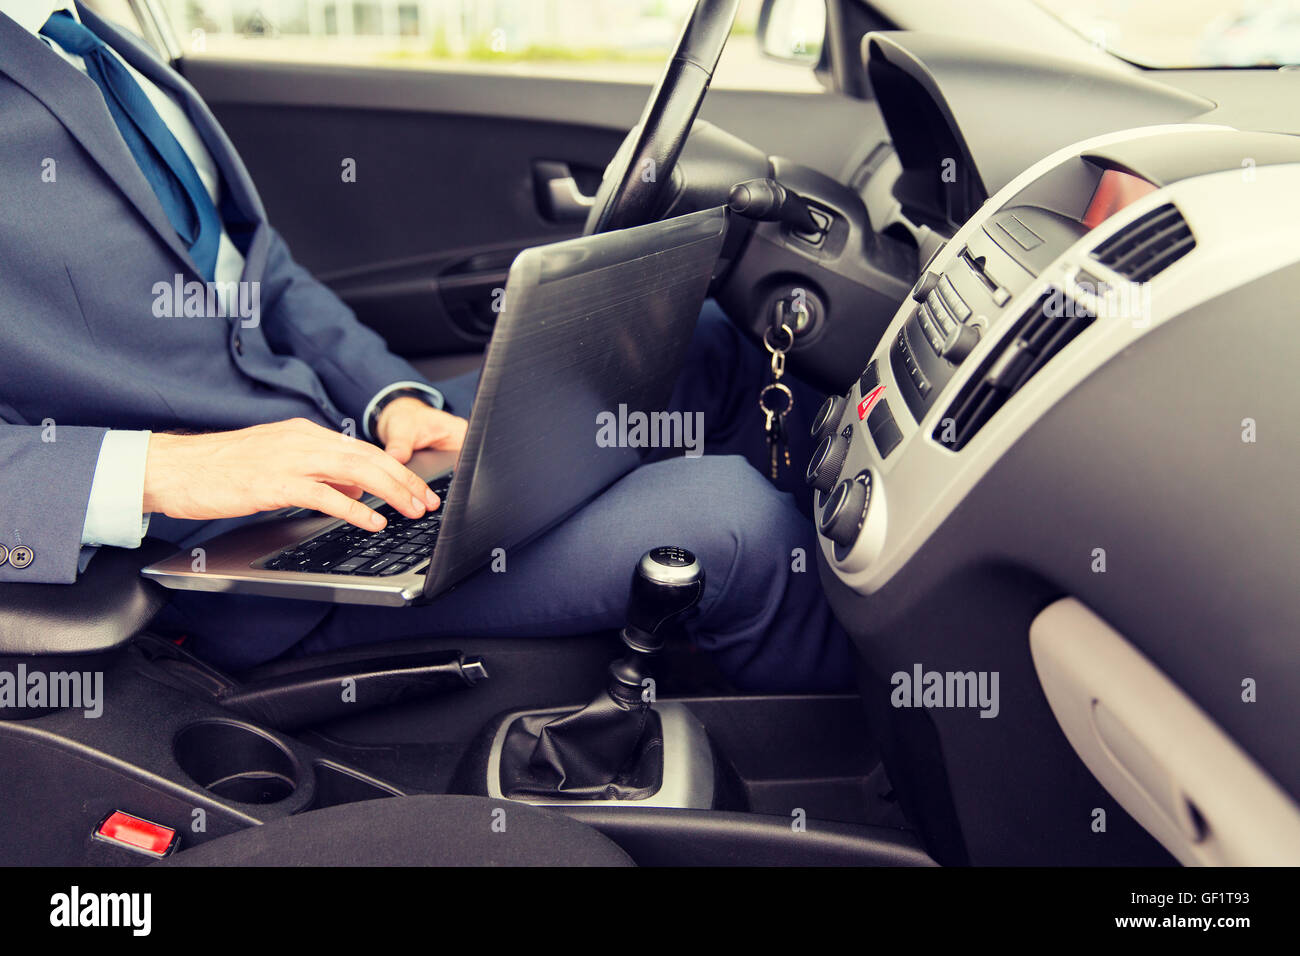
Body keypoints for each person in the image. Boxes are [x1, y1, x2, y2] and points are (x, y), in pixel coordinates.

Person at [0, 0, 854, 691]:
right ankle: (874, 774)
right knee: (732, 524)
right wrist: (163, 471)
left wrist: (392, 397)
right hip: (231, 567)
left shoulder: (92, 32)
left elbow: (262, 272)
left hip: (347, 451)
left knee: (710, 341)